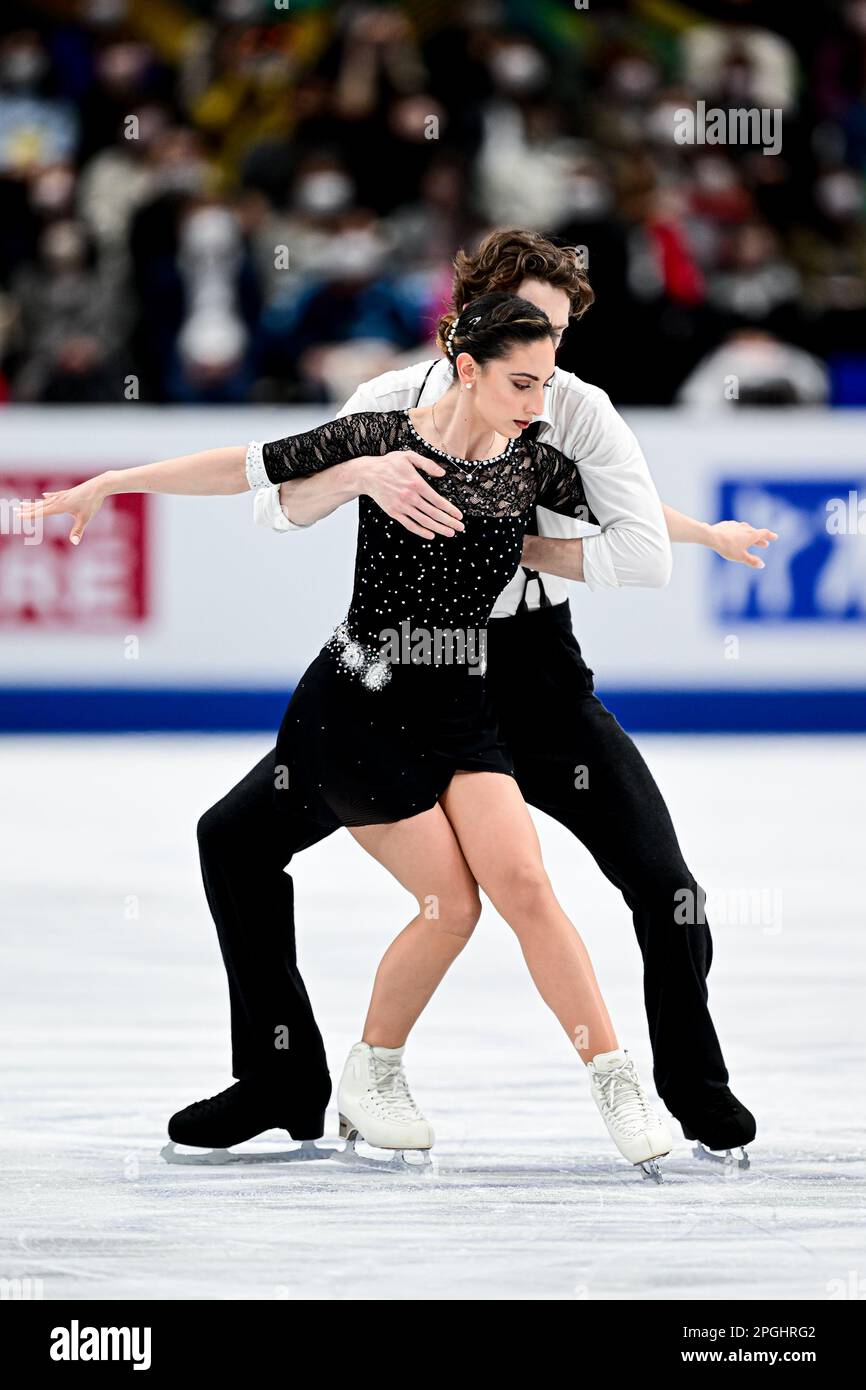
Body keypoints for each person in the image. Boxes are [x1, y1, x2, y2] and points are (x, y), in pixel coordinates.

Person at [20, 230, 772, 1164]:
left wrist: (677, 533)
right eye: (534, 340)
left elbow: (631, 526)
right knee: (240, 843)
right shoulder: (384, 412)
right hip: (371, 690)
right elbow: (266, 486)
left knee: (651, 888)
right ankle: (284, 1079)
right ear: (472, 338)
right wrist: (349, 477)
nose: (551, 369)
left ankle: (678, 1094)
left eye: (563, 339)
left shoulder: (557, 424)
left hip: (523, 678)